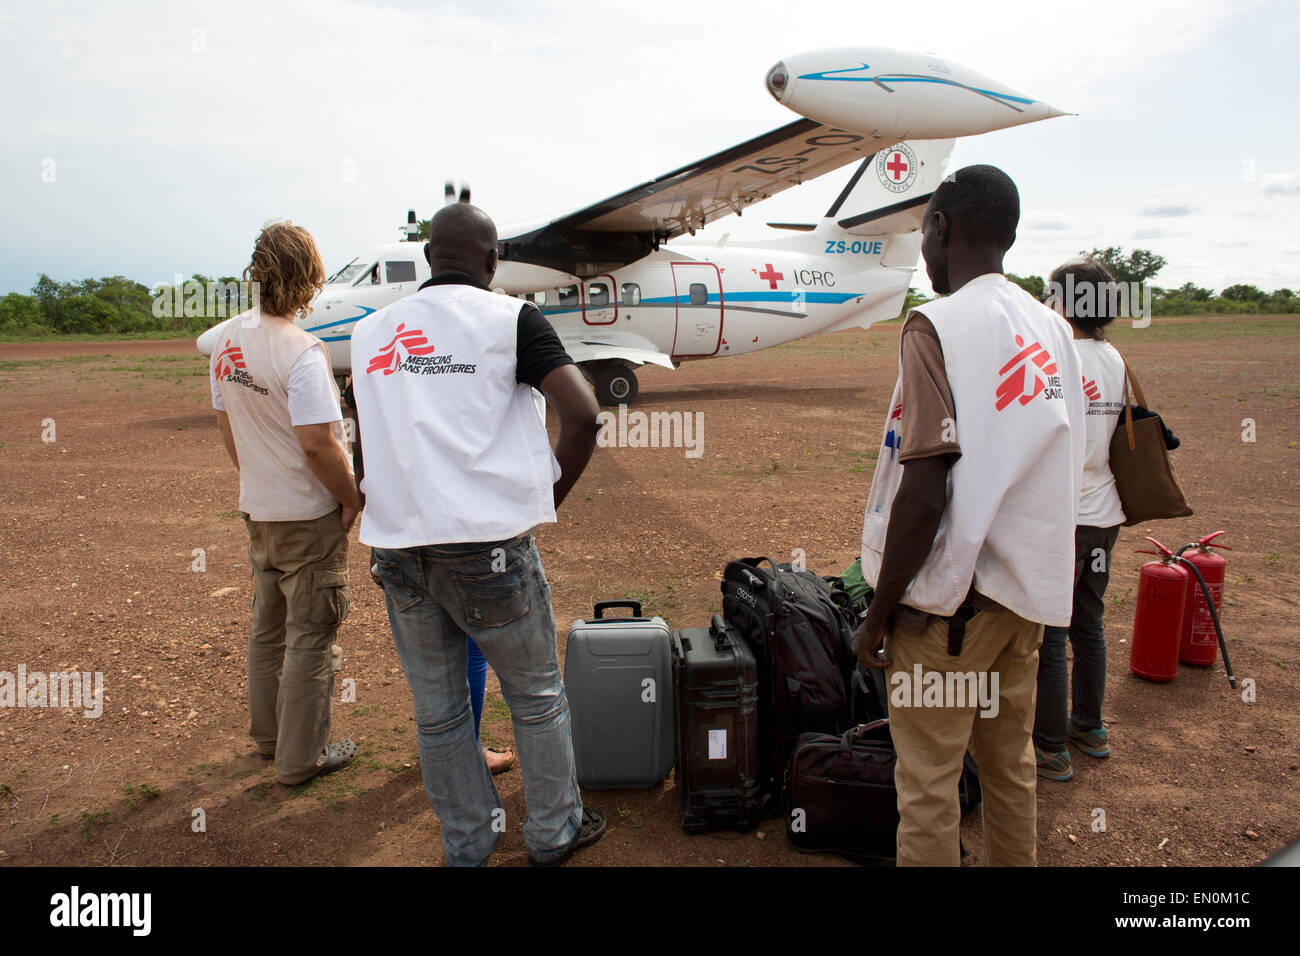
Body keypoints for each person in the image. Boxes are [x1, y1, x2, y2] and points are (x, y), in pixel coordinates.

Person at [350, 201, 603, 867]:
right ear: (492, 263)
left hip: (400, 548)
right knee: (537, 696)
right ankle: (553, 834)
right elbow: (583, 413)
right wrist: (546, 499)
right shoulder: (511, 318)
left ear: (429, 257)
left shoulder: (370, 332)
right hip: (490, 551)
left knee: (439, 712)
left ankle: (468, 841)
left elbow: (362, 442)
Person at [851, 166, 1085, 867]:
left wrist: (878, 613)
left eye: (923, 229)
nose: (923, 250)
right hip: (1022, 605)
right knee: (1011, 769)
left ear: (940, 228)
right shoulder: (1055, 331)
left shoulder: (937, 325)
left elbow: (924, 487)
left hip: (946, 614)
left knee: (927, 785)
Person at [210, 220, 359, 786]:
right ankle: (300, 759)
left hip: (260, 512)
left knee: (267, 629)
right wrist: (349, 500)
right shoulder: (302, 351)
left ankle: (271, 739)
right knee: (311, 638)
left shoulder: (225, 343)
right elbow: (320, 443)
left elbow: (228, 427)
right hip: (307, 517)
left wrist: (257, 482)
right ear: (308, 280)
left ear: (256, 272)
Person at [1033, 258, 1127, 780]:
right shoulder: (1115, 358)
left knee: (1050, 630)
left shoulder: (1059, 356)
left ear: (1067, 302)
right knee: (1089, 620)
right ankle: (1088, 725)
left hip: (1065, 515)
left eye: (1052, 293)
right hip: (1103, 514)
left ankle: (1049, 745)